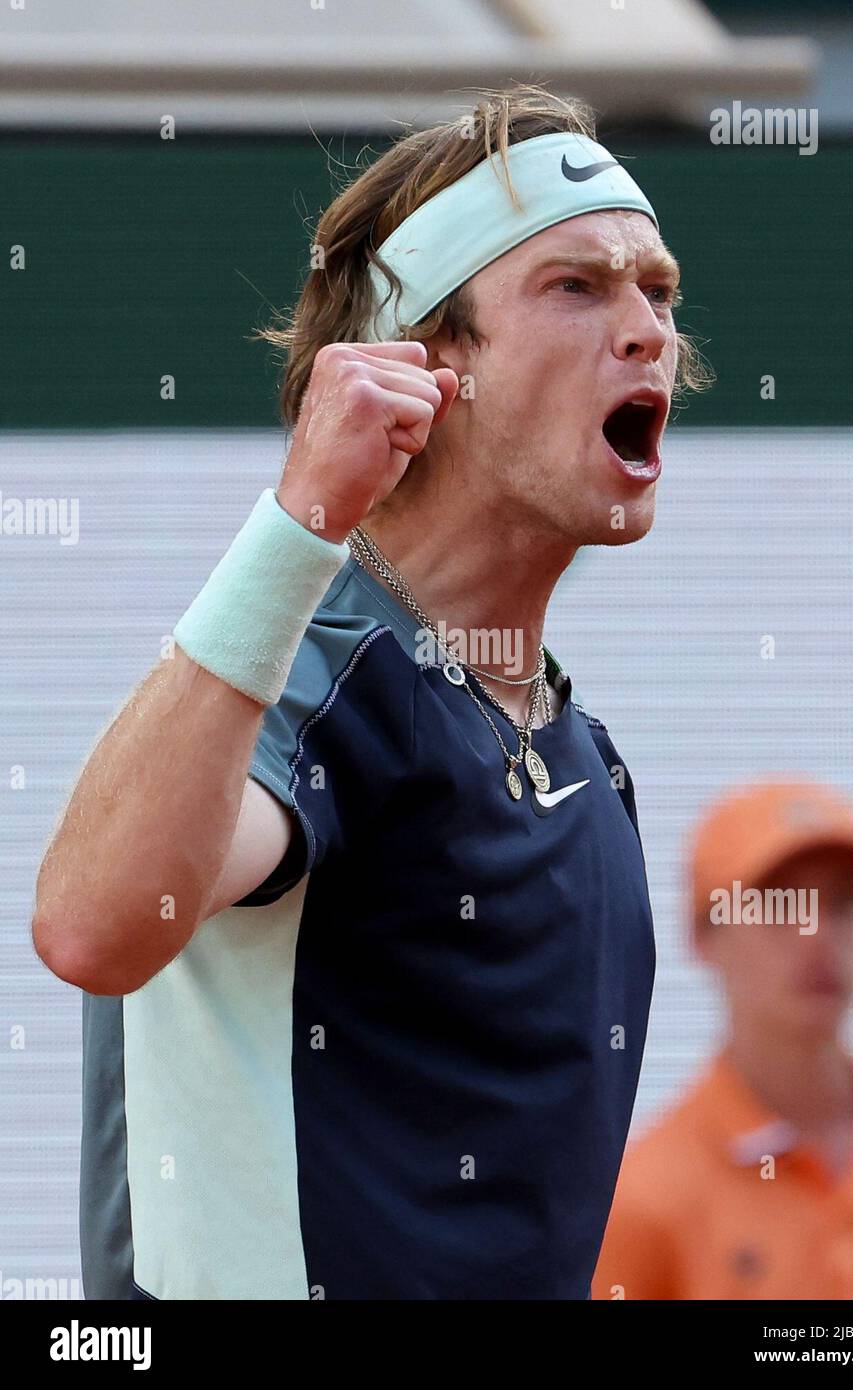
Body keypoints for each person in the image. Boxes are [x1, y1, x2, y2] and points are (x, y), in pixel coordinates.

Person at [31, 86, 698, 1299]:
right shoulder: (317, 670)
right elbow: (92, 922)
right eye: (577, 286)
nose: (649, 327)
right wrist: (302, 519)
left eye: (657, 289)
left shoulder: (582, 753)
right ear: (426, 365)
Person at [592, 778, 853, 1302]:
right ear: (704, 933)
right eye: (778, 904)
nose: (816, 933)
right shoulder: (642, 1201)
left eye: (843, 902)